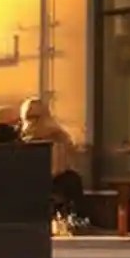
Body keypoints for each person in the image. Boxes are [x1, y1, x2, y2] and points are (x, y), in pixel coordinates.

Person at [20, 97, 88, 234]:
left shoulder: (25, 137)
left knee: (71, 179)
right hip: (50, 180)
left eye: (34, 117)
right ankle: (79, 219)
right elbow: (61, 165)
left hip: (38, 181)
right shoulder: (58, 135)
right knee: (73, 179)